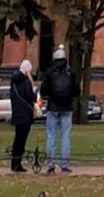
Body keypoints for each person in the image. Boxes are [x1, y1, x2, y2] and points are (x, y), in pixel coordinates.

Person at [40, 47, 77, 175]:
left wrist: (51, 94)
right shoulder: (70, 72)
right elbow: (76, 90)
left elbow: (43, 90)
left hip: (53, 107)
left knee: (50, 135)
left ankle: (50, 165)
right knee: (65, 135)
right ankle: (64, 164)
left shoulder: (49, 72)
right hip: (66, 107)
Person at [9, 61, 38, 174]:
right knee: (21, 140)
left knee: (17, 139)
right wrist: (35, 92)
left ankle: (14, 163)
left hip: (17, 113)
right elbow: (30, 97)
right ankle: (17, 163)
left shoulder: (14, 81)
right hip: (25, 114)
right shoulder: (26, 82)